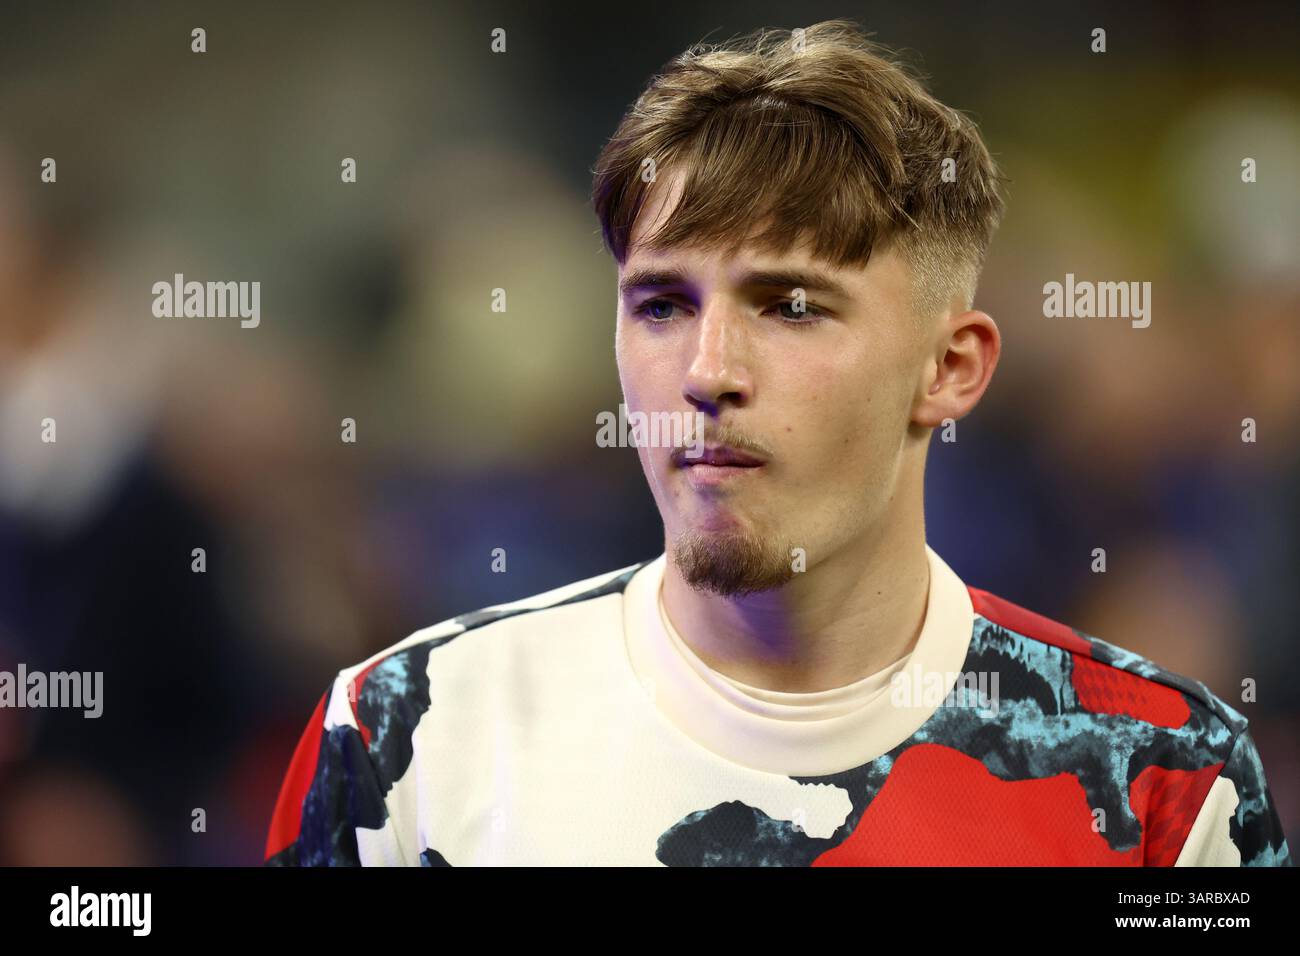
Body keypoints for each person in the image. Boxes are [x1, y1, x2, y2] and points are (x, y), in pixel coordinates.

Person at [264, 20, 1291, 867]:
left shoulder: (1164, 778)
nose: (707, 369)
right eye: (661, 303)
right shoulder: (411, 738)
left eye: (791, 305)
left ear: (950, 369)